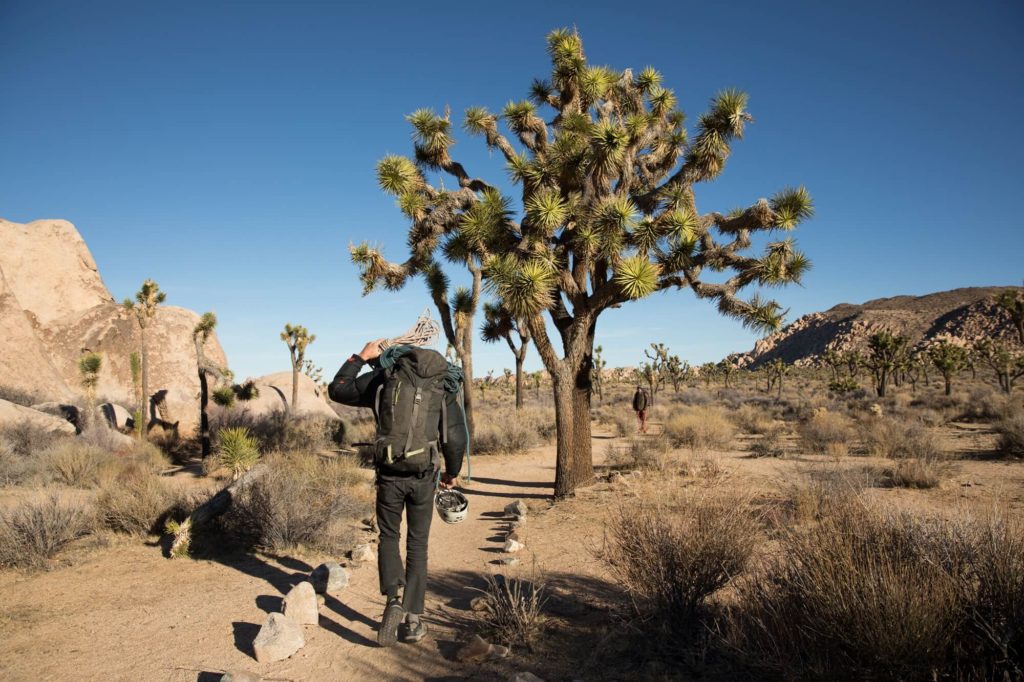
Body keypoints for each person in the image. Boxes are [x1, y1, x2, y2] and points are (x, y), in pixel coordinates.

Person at [328, 338, 467, 647]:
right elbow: (455, 437)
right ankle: (413, 619)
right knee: (418, 543)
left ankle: (393, 597)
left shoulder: (385, 377)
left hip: (389, 472)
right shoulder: (443, 384)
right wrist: (452, 474)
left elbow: (337, 390)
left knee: (389, 536)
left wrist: (361, 356)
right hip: (423, 476)